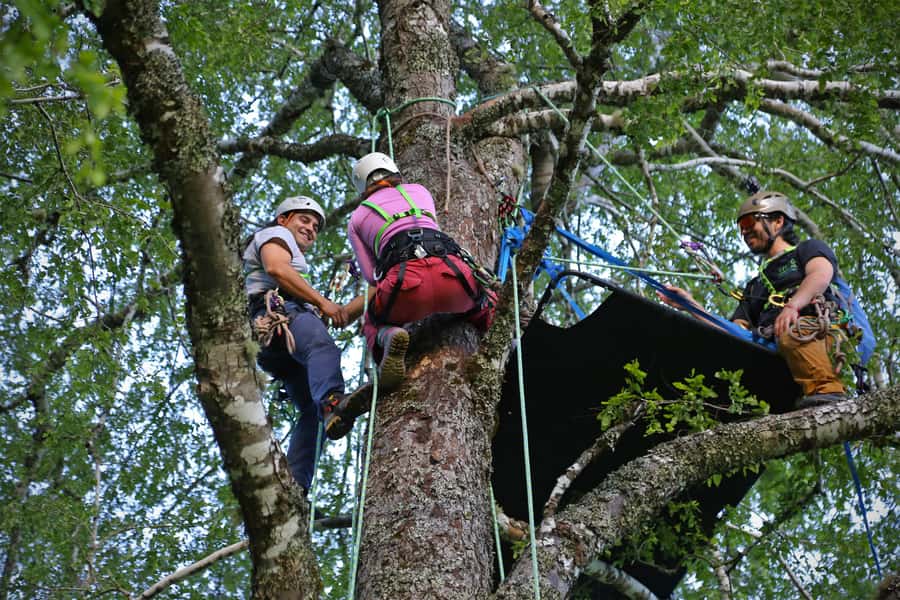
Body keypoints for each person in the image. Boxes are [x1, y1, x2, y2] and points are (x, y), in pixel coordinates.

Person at [658, 191, 847, 408]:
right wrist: (689, 305)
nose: (745, 231)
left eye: (749, 222)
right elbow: (732, 332)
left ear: (778, 221)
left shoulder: (806, 250)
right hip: (774, 350)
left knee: (792, 331)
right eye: (741, 228)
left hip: (811, 330)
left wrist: (793, 306)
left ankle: (829, 391)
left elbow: (820, 275)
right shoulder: (755, 285)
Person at [244, 195, 366, 492]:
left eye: (315, 226)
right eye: (304, 219)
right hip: (275, 315)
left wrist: (377, 290)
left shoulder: (290, 253)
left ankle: (295, 486)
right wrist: (323, 304)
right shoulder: (275, 234)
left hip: (276, 342)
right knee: (323, 349)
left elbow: (339, 314)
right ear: (284, 219)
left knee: (313, 412)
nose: (311, 228)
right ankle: (334, 402)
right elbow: (276, 268)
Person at [347, 152, 495, 389]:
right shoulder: (419, 191)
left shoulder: (357, 218)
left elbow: (370, 276)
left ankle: (389, 339)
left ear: (363, 185)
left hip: (405, 287)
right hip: (452, 276)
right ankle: (505, 343)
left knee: (372, 320)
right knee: (485, 299)